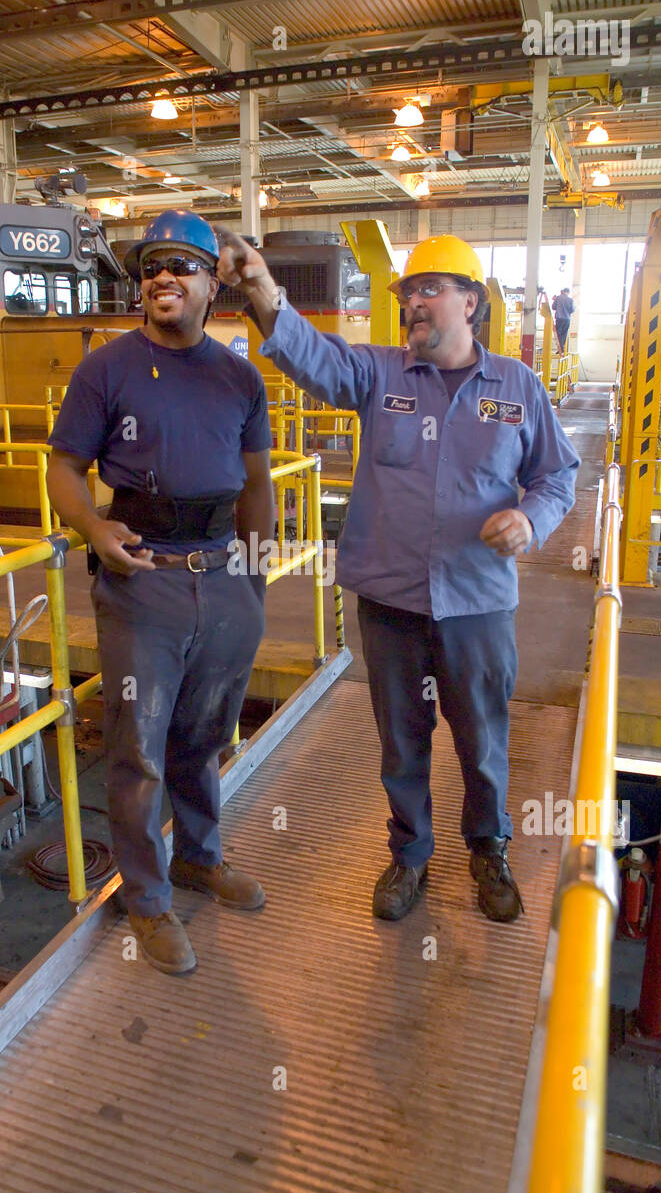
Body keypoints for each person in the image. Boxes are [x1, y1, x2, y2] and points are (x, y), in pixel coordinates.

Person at [215, 229, 580, 925]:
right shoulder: (378, 375)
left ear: (469, 303)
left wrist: (532, 517)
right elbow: (311, 357)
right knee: (402, 740)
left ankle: (489, 847)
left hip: (477, 604)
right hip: (390, 603)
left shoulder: (517, 387)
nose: (414, 302)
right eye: (409, 291)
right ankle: (410, 853)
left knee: (482, 735)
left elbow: (559, 474)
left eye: (429, 289)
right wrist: (261, 289)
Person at [46, 210, 275, 975]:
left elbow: (257, 483)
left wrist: (256, 575)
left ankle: (198, 858)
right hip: (143, 583)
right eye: (150, 268)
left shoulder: (241, 376)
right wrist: (92, 529)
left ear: (214, 283)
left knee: (206, 735)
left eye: (180, 265)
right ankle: (146, 897)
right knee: (139, 748)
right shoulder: (104, 370)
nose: (162, 278)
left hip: (223, 576)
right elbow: (63, 470)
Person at [552, 287, 575, 353]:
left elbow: (553, 307)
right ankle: (561, 348)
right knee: (564, 334)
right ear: (568, 292)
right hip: (567, 319)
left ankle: (560, 348)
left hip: (559, 318)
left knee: (558, 334)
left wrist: (554, 300)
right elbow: (572, 310)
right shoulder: (570, 300)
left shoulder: (558, 298)